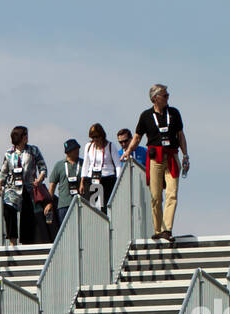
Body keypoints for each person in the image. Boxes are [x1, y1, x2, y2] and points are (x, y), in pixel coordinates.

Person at [123, 85, 189, 243]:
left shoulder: (173, 113)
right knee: (155, 196)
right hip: (155, 158)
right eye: (165, 96)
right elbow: (138, 137)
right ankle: (158, 229)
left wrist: (185, 155)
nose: (168, 98)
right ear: (155, 98)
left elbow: (180, 135)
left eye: (167, 95)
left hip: (172, 156)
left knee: (172, 194)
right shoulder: (146, 116)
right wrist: (128, 151)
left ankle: (167, 229)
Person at [0, 127, 47, 246]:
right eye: (25, 135)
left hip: (28, 188)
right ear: (20, 138)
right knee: (9, 210)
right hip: (11, 187)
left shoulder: (33, 150)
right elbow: (4, 170)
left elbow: (42, 167)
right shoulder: (9, 153)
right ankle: (13, 241)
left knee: (27, 214)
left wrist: (40, 178)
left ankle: (26, 242)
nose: (27, 138)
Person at [79, 124, 121, 212]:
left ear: (102, 136)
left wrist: (118, 181)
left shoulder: (111, 146)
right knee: (89, 205)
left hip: (107, 178)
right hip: (91, 177)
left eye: (97, 137)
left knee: (104, 206)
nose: (95, 140)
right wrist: (82, 182)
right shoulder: (89, 146)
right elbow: (86, 164)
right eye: (93, 137)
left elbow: (118, 166)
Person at [47, 139, 83, 232]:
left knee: (81, 230)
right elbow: (52, 185)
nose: (77, 151)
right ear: (68, 152)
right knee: (65, 231)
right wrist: (49, 203)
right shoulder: (59, 165)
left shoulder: (83, 163)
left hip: (81, 203)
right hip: (64, 204)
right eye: (75, 149)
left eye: (78, 148)